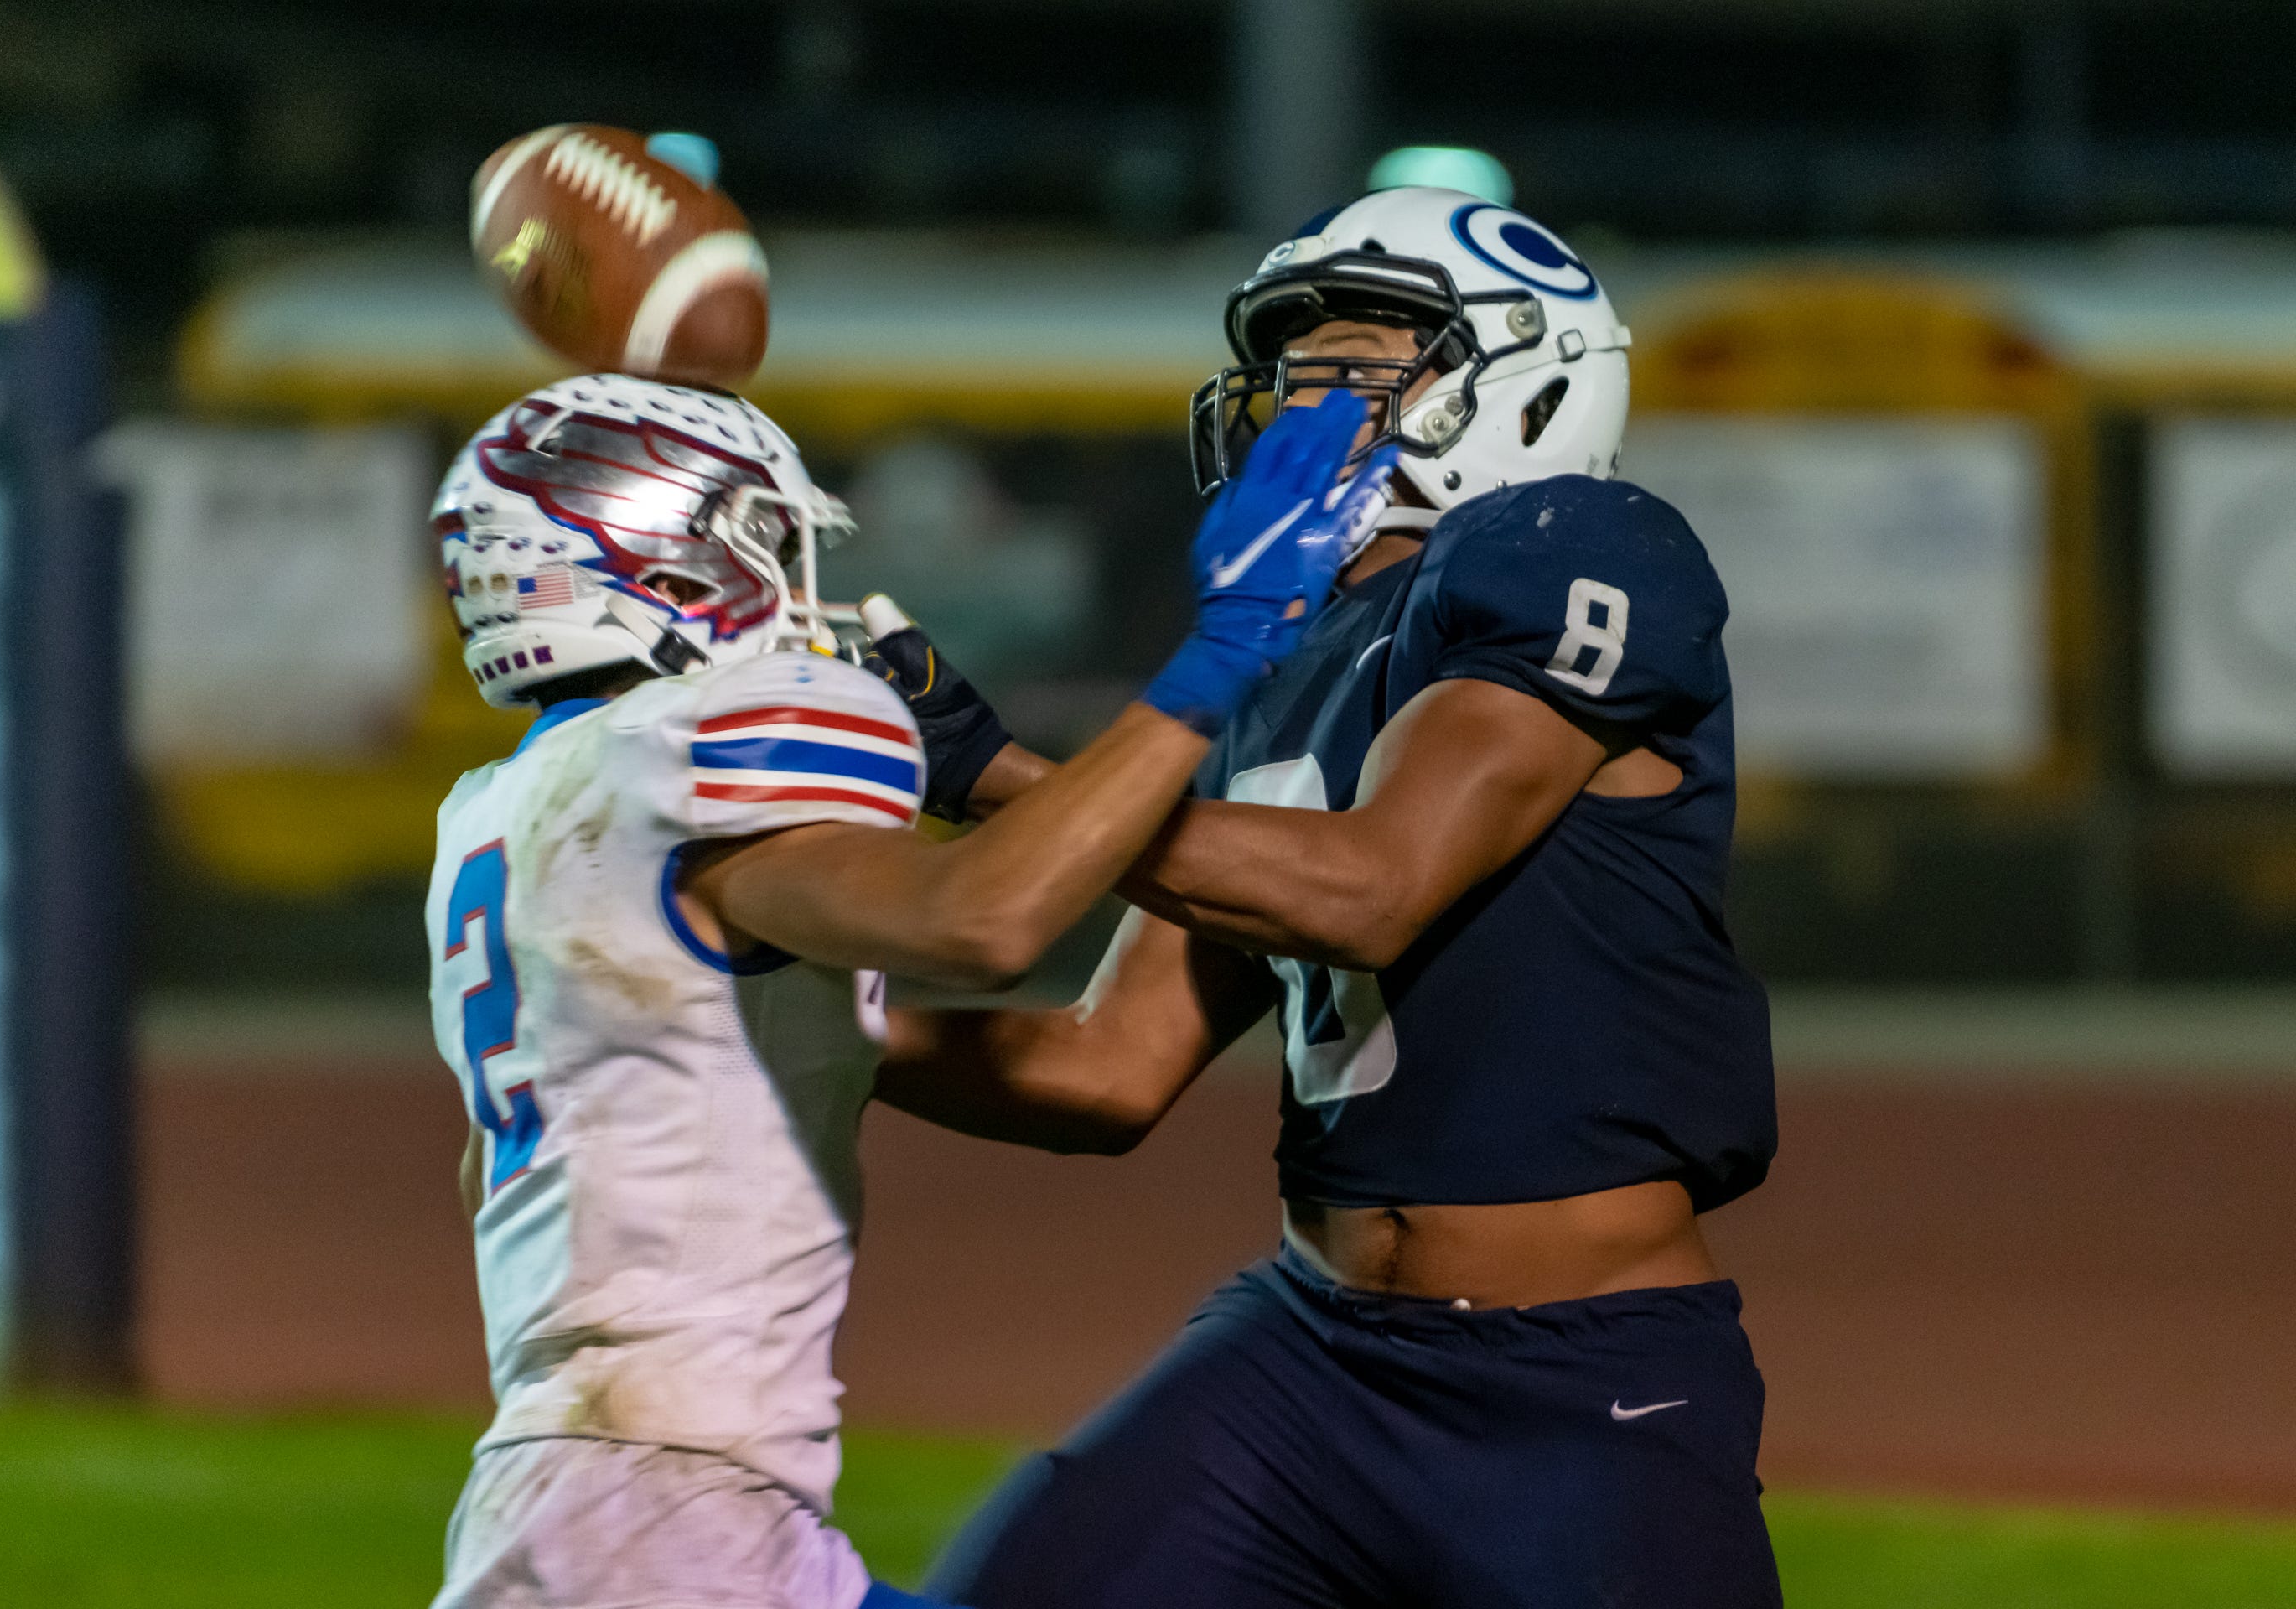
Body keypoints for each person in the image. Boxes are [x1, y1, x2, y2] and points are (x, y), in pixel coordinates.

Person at [863, 189, 1783, 1608]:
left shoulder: (1574, 544)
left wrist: (991, 774)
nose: (1305, 412)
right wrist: (818, 1035)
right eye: (1291, 375)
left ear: (1526, 385)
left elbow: (1372, 889)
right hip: (1313, 1351)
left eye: (1360, 370)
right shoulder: (1276, 661)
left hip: (1575, 1378)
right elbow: (1106, 1070)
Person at [420, 371, 1381, 1609]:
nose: (793, 585)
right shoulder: (672, 764)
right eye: (764, 540)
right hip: (659, 1523)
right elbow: (984, 920)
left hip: (620, 1500)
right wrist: (1213, 665)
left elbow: (509, 1158)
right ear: (657, 565)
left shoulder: (509, 810)